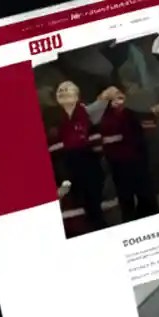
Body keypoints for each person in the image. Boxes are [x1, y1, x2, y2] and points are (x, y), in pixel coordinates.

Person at [50, 81, 115, 231]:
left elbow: (101, 102)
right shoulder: (53, 118)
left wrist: (107, 93)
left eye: (68, 90)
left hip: (86, 159)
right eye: (62, 90)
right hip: (67, 162)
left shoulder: (86, 112)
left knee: (93, 200)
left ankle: (98, 224)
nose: (65, 92)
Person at [98, 87, 159, 221]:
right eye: (114, 96)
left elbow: (145, 126)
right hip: (120, 165)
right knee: (127, 201)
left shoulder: (130, 114)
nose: (118, 98)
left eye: (119, 94)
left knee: (147, 198)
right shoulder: (104, 119)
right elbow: (106, 141)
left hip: (138, 161)